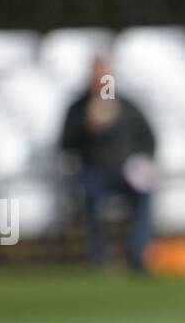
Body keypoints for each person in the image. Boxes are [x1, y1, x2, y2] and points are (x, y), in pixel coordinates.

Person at [59, 55, 158, 272]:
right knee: (90, 195)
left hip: (125, 173)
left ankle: (138, 253)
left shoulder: (128, 107)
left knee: (145, 193)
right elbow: (65, 144)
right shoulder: (78, 108)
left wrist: (142, 162)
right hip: (93, 173)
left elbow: (149, 139)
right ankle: (99, 259)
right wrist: (88, 128)